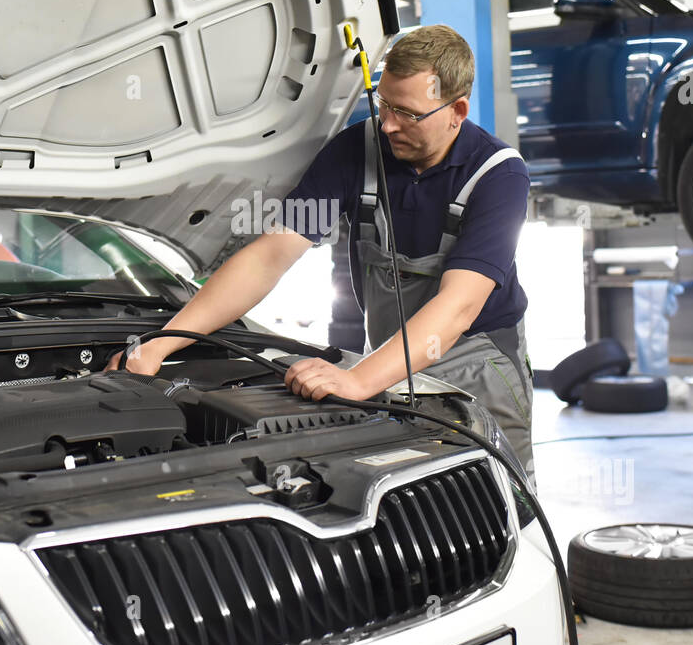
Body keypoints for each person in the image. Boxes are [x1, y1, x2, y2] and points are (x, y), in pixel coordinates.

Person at [107, 24, 534, 478]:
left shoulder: (498, 176)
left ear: (457, 110)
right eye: (383, 103)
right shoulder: (358, 151)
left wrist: (359, 380)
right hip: (389, 357)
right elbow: (270, 255)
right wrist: (162, 344)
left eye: (406, 113)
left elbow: (458, 306)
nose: (387, 124)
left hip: (478, 367)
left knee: (500, 500)